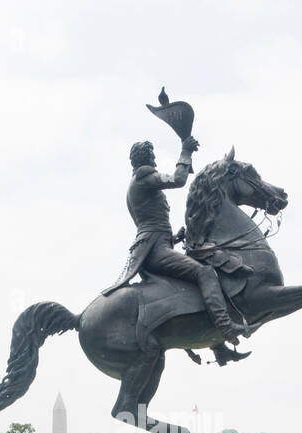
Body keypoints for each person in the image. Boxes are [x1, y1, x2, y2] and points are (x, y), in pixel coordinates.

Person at [103, 138, 250, 348]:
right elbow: (178, 180)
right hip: (154, 250)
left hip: (155, 245)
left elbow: (149, 225)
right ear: (146, 158)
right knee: (205, 273)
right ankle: (225, 327)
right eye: (152, 156)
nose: (154, 159)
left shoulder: (135, 185)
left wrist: (174, 238)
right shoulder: (145, 176)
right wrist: (185, 151)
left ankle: (215, 342)